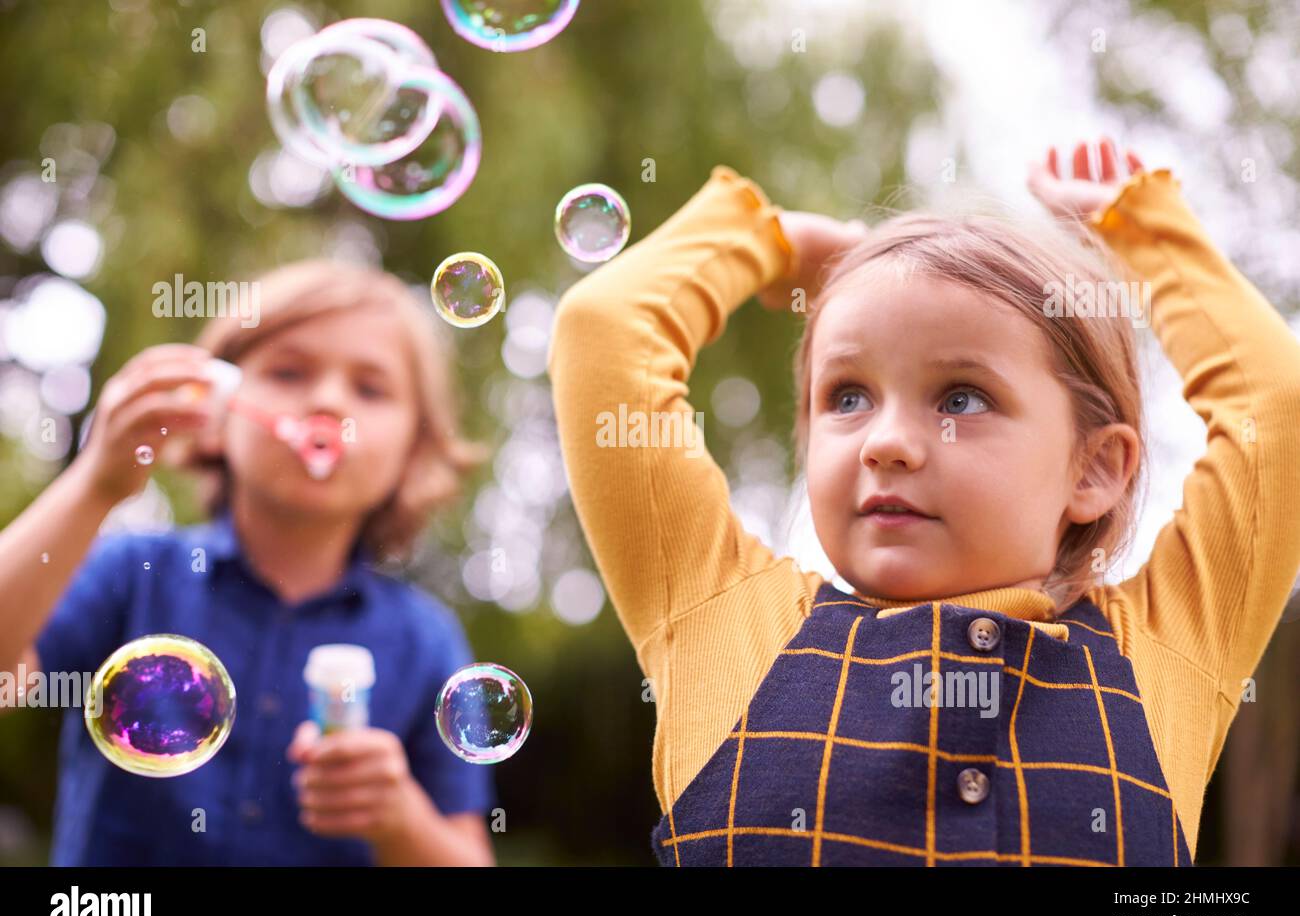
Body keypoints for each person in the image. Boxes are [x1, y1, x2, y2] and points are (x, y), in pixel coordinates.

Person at [546, 138, 1300, 865]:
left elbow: (1277, 409)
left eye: (962, 397)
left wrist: (1139, 234)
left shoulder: (1165, 654)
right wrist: (768, 240)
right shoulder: (729, 624)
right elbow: (604, 332)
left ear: (1093, 469)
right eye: (848, 396)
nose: (887, 442)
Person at [0, 259, 497, 865]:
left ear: (413, 450)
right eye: (288, 372)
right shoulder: (134, 574)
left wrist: (399, 821)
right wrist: (95, 486)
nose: (326, 399)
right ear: (212, 415)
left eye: (369, 389)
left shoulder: (426, 642)